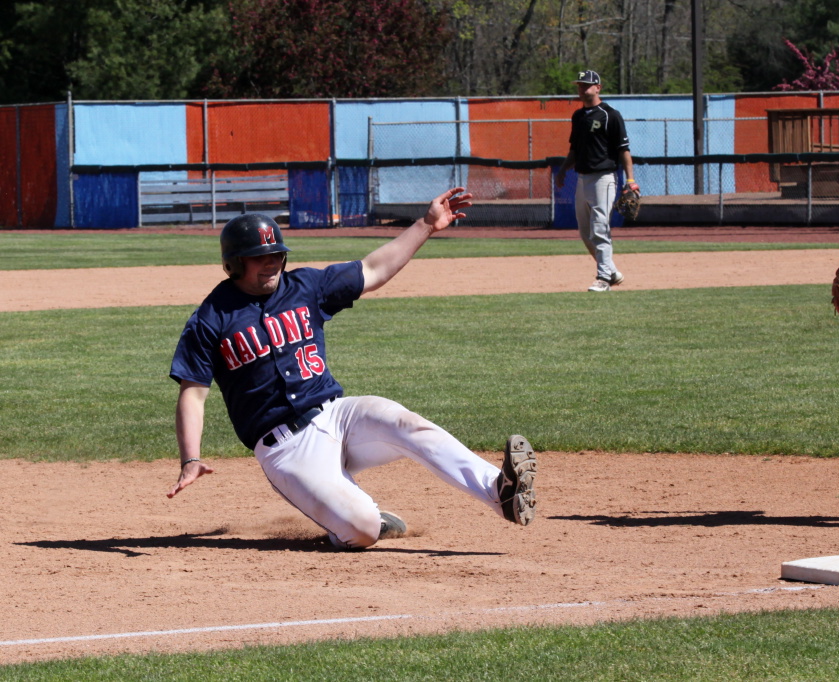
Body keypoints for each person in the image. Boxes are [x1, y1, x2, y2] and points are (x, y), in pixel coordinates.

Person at [167, 188, 538, 549]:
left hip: (339, 416)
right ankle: (360, 516)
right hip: (286, 449)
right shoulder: (210, 319)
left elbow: (373, 269)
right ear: (234, 262)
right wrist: (191, 459)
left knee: (405, 423)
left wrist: (425, 224)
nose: (272, 261)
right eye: (259, 256)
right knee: (361, 531)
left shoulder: (305, 286)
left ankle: (498, 490)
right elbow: (193, 394)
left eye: (277, 253)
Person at [555, 69, 639, 292]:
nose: (582, 88)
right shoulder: (578, 116)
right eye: (580, 85)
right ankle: (611, 271)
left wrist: (630, 180)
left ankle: (603, 278)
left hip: (604, 178)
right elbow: (574, 148)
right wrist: (563, 170)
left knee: (600, 228)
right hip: (582, 178)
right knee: (585, 233)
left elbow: (624, 150)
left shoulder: (610, 115)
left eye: (586, 85)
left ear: (598, 88)